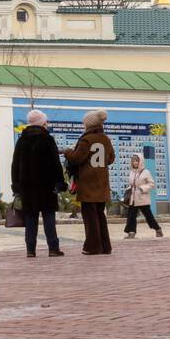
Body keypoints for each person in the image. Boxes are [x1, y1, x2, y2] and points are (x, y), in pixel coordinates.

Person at [11, 110, 66, 258]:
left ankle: (30, 249)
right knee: (49, 217)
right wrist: (60, 183)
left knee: (30, 218)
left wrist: (16, 185)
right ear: (43, 123)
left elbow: (15, 164)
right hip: (47, 186)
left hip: (27, 187)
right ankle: (53, 248)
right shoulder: (48, 140)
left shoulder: (22, 140)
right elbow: (56, 164)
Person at [64, 109, 116, 255]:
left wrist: (67, 151)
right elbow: (111, 159)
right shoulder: (106, 139)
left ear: (88, 124)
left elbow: (77, 158)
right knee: (100, 215)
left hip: (88, 183)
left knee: (90, 217)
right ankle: (106, 246)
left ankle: (93, 247)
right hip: (102, 182)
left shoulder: (86, 139)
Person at [122, 154, 163, 238]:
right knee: (131, 216)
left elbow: (152, 184)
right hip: (133, 198)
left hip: (142, 198)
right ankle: (131, 232)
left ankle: (158, 229)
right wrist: (128, 189)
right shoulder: (132, 172)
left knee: (148, 216)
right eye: (133, 161)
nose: (135, 162)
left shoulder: (146, 172)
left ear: (140, 161)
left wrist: (142, 188)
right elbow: (132, 184)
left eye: (136, 161)